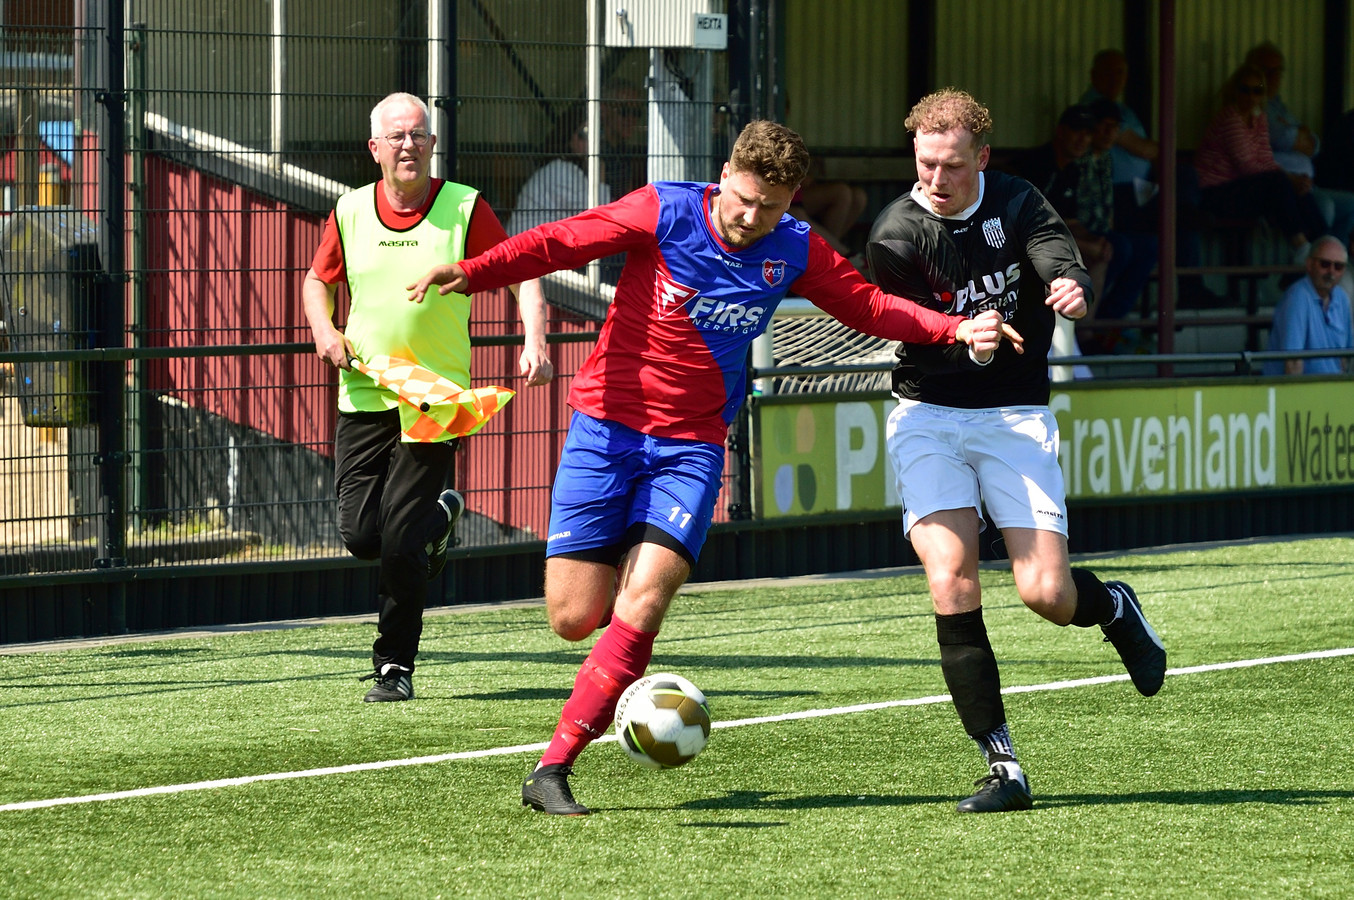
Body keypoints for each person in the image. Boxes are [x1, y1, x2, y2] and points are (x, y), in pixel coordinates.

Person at [407, 119, 1020, 815]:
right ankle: (612, 653)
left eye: (774, 207)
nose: (755, 219)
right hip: (604, 431)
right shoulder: (662, 210)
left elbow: (867, 305)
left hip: (693, 447)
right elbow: (560, 241)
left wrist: (952, 327)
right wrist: (472, 271)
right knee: (576, 618)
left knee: (643, 605)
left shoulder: (793, 247)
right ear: (725, 176)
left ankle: (551, 769)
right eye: (747, 201)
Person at [866, 88, 1167, 814]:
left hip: (1014, 415)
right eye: (925, 164)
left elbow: (1056, 259)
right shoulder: (894, 235)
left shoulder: (1018, 200)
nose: (935, 180)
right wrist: (959, 333)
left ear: (982, 158)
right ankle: (1004, 767)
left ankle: (1115, 608)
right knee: (952, 578)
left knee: (1045, 594)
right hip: (929, 415)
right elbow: (909, 326)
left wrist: (1068, 285)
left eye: (951, 165)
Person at [301, 92, 554, 702]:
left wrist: (536, 340)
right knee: (361, 533)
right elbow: (317, 281)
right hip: (363, 390)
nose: (407, 144)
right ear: (374, 149)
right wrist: (324, 330)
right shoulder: (350, 211)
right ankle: (443, 518)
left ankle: (394, 666)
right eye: (395, 136)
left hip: (435, 401)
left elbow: (520, 272)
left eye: (417, 134)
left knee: (398, 536)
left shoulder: (464, 207)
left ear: (432, 144)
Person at [1194, 64, 1328, 262]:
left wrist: (1295, 181)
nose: (1251, 96)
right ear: (1235, 91)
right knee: (1279, 181)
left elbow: (1266, 159)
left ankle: (1325, 247)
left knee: (1300, 189)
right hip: (1215, 192)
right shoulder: (1229, 118)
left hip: (1241, 190)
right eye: (1245, 90)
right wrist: (1289, 179)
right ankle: (1300, 247)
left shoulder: (1259, 119)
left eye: (1257, 91)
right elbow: (1247, 165)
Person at [1244, 42, 1354, 246]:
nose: (1272, 76)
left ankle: (1338, 267)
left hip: (1307, 184)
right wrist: (1297, 135)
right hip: (1282, 187)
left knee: (1351, 205)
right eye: (1266, 70)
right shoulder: (1252, 105)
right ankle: (1315, 269)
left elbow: (1314, 143)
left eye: (1277, 71)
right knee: (1326, 207)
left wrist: (1300, 136)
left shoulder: (1278, 106)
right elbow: (1281, 137)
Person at [508, 110, 612, 236]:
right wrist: (599, 176)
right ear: (569, 138)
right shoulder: (559, 170)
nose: (592, 140)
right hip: (530, 245)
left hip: (543, 241)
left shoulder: (571, 169)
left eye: (597, 133)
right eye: (585, 133)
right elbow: (592, 213)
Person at [1262, 236, 1351, 375]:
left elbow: (1345, 358)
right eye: (1325, 264)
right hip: (1302, 392)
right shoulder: (1297, 298)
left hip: (1331, 390)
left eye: (1338, 266)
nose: (1331, 272)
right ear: (1309, 264)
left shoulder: (1342, 298)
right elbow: (1293, 363)